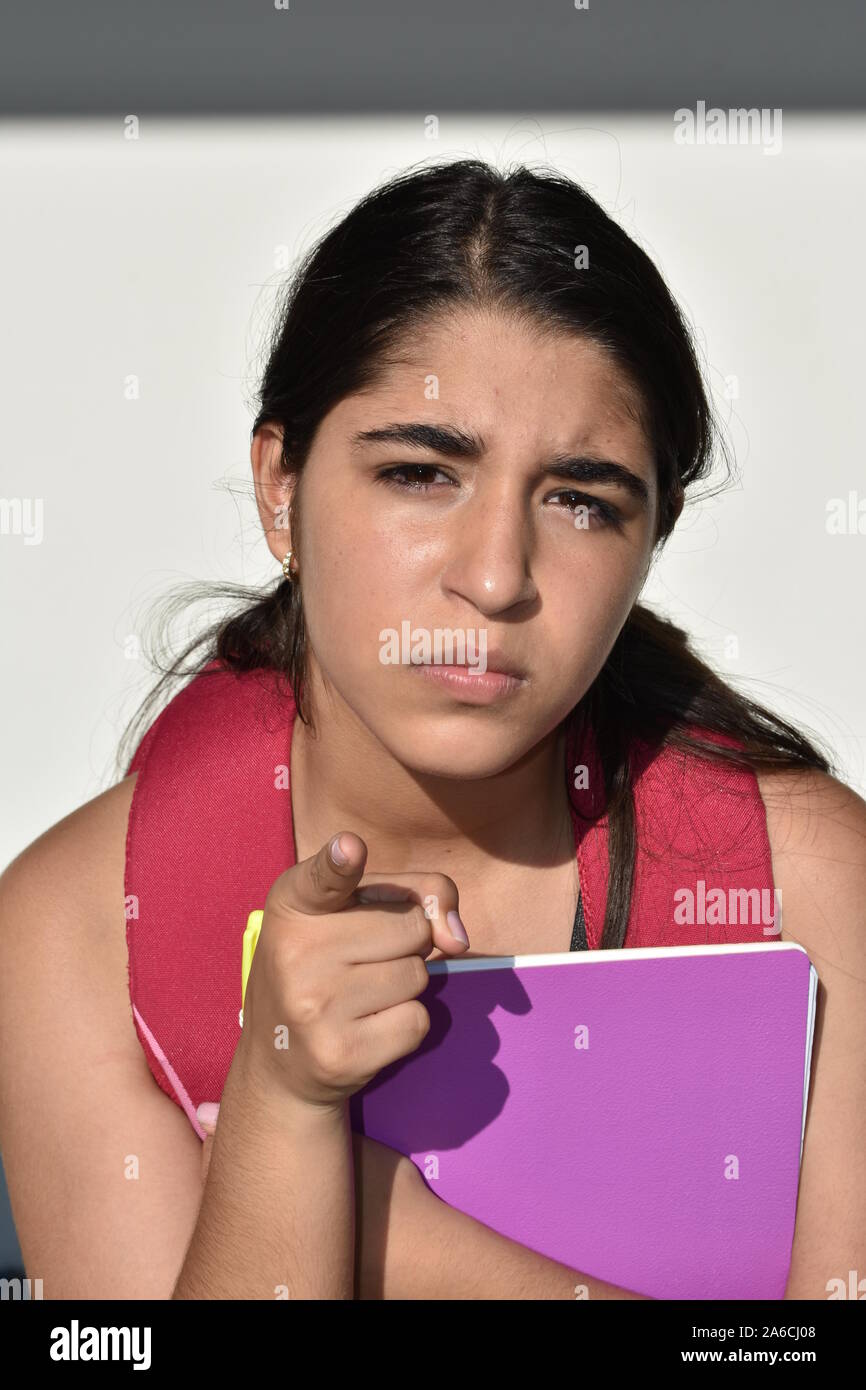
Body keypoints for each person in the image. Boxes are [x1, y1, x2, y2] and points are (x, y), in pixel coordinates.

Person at [0, 158, 864, 1301]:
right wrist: (280, 1113)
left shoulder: (809, 885)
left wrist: (393, 1235)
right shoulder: (74, 928)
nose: (495, 576)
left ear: (652, 540)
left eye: (580, 500)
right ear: (279, 487)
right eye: (419, 471)